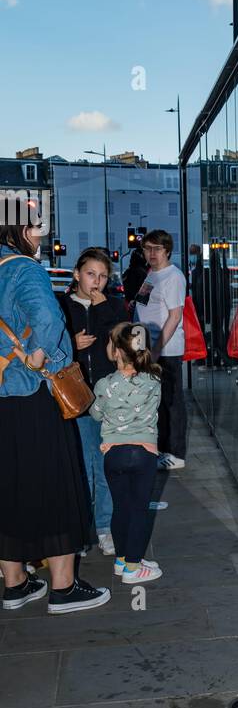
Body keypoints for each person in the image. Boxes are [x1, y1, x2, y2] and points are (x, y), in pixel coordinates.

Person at [0, 215, 110, 614]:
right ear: (14, 230)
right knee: (57, 480)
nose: (39, 238)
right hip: (32, 392)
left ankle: (14, 584)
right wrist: (41, 357)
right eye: (33, 230)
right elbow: (47, 319)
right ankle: (62, 587)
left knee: (8, 485)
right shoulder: (23, 269)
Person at [61, 248, 129, 556]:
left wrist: (102, 310)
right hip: (73, 398)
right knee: (79, 468)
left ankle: (104, 528)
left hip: (107, 398)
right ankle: (80, 531)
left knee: (104, 467)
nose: (96, 282)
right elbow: (46, 347)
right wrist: (71, 344)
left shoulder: (113, 307)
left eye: (103, 276)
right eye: (91, 274)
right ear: (77, 274)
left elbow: (127, 345)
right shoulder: (60, 305)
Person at [90, 322, 163, 585]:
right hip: (143, 453)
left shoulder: (103, 384)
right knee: (139, 509)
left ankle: (123, 561)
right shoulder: (154, 380)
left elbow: (95, 414)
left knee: (121, 508)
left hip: (113, 454)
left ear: (118, 352)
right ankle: (134, 566)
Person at [134, 229, 187, 469]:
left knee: (172, 402)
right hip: (150, 348)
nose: (152, 253)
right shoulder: (151, 275)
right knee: (158, 402)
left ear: (167, 250)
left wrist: (156, 349)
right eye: (147, 248)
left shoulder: (173, 277)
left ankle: (175, 453)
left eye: (157, 248)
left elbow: (175, 317)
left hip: (167, 351)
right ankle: (164, 448)